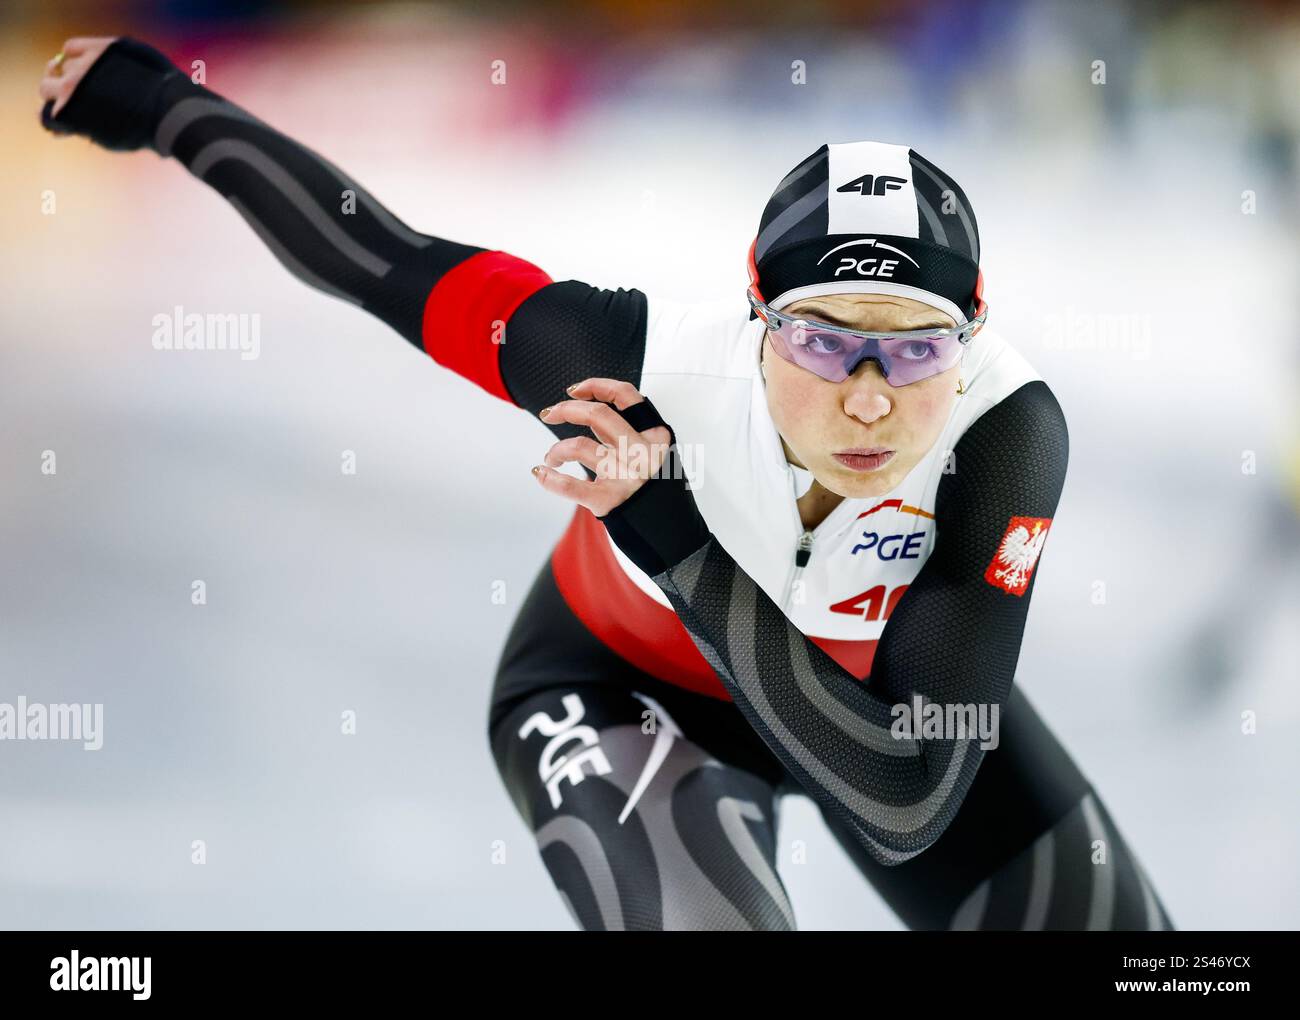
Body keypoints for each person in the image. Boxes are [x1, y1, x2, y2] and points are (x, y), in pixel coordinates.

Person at [39, 35, 1175, 930]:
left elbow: (907, 797)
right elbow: (383, 260)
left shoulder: (1005, 434)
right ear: (756, 317)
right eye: (824, 341)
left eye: (916, 349)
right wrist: (161, 106)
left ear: (971, 340)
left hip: (872, 704)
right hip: (629, 693)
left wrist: (669, 531)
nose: (869, 399)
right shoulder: (627, 363)